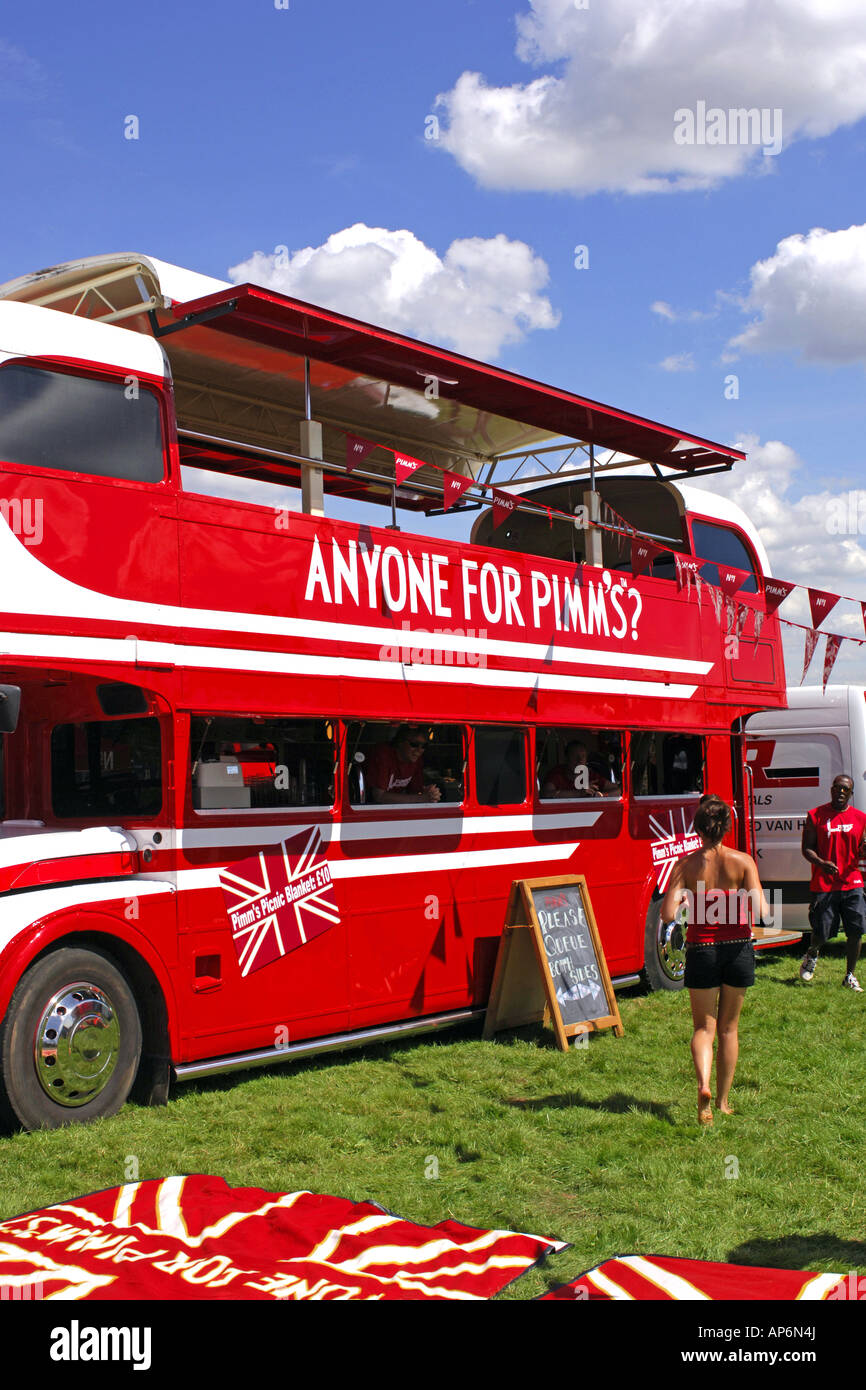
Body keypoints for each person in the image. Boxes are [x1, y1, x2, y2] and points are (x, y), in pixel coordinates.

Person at [660, 795, 770, 1126]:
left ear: (697, 829)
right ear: (726, 827)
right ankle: (722, 1102)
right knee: (729, 1029)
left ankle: (703, 1085)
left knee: (703, 1028)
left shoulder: (685, 864)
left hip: (701, 950)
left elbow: (667, 914)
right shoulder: (743, 861)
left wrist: (688, 901)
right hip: (737, 949)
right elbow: (763, 912)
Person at [799, 774, 866, 991]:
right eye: (837, 788)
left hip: (852, 881)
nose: (841, 792)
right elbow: (807, 848)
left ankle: (849, 975)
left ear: (851, 793)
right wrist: (821, 862)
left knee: (856, 930)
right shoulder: (816, 815)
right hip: (824, 883)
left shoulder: (860, 818)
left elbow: (862, 847)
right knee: (823, 932)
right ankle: (812, 952)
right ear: (831, 789)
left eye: (845, 789)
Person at [366, 725, 441, 804]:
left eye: (424, 746)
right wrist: (422, 798)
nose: (419, 750)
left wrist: (429, 792)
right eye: (414, 744)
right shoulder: (383, 755)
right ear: (400, 742)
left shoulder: (416, 760)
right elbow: (379, 796)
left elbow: (415, 791)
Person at [542, 739, 616, 799]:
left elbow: (618, 790)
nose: (579, 760)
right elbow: (547, 794)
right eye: (574, 755)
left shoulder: (590, 775)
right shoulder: (557, 774)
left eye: (583, 756)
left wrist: (602, 795)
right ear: (566, 758)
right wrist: (580, 793)